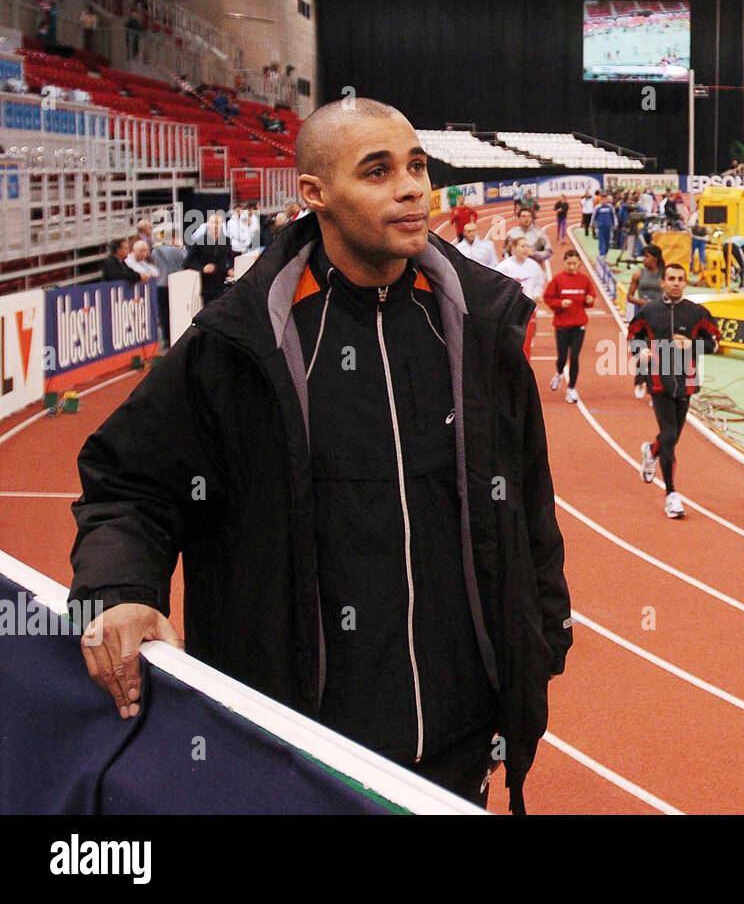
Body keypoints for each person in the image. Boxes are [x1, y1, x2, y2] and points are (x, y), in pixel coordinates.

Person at [67, 97, 571, 813]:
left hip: (461, 739)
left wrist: (541, 636)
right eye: (378, 171)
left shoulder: (478, 328)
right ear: (315, 194)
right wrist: (122, 591)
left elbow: (526, 499)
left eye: (417, 167)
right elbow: (128, 483)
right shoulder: (238, 343)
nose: (410, 188)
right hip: (297, 743)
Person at [628, 264, 721, 518]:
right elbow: (632, 336)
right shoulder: (649, 312)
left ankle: (651, 450)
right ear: (662, 282)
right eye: (671, 279)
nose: (676, 283)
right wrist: (640, 350)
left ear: (685, 283)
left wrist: (693, 345)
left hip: (686, 382)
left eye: (680, 279)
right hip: (659, 383)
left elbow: (715, 343)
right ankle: (671, 495)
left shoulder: (696, 313)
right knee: (669, 435)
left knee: (671, 438)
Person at [543, 249, 597, 403]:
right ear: (564, 262)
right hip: (561, 324)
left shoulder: (584, 280)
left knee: (574, 357)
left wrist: (589, 300)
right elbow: (548, 298)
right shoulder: (557, 280)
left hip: (579, 324)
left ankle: (571, 388)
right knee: (562, 356)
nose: (572, 266)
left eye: (575, 263)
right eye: (569, 263)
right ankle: (559, 373)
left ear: (579, 263)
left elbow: (591, 296)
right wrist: (560, 303)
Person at [184, 211, 234, 305]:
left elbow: (230, 259)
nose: (215, 226)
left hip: (222, 286)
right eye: (212, 223)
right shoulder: (200, 241)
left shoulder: (226, 241)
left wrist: (229, 269)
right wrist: (203, 268)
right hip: (206, 287)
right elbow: (187, 263)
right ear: (207, 224)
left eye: (218, 223)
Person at [592, 192, 616, 258]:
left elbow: (613, 216)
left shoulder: (610, 207)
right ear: (601, 199)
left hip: (608, 227)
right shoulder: (597, 207)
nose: (604, 201)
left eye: (605, 199)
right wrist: (592, 224)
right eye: (602, 199)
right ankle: (601, 254)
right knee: (601, 241)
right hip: (600, 227)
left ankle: (605, 252)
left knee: (607, 241)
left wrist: (615, 224)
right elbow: (594, 216)